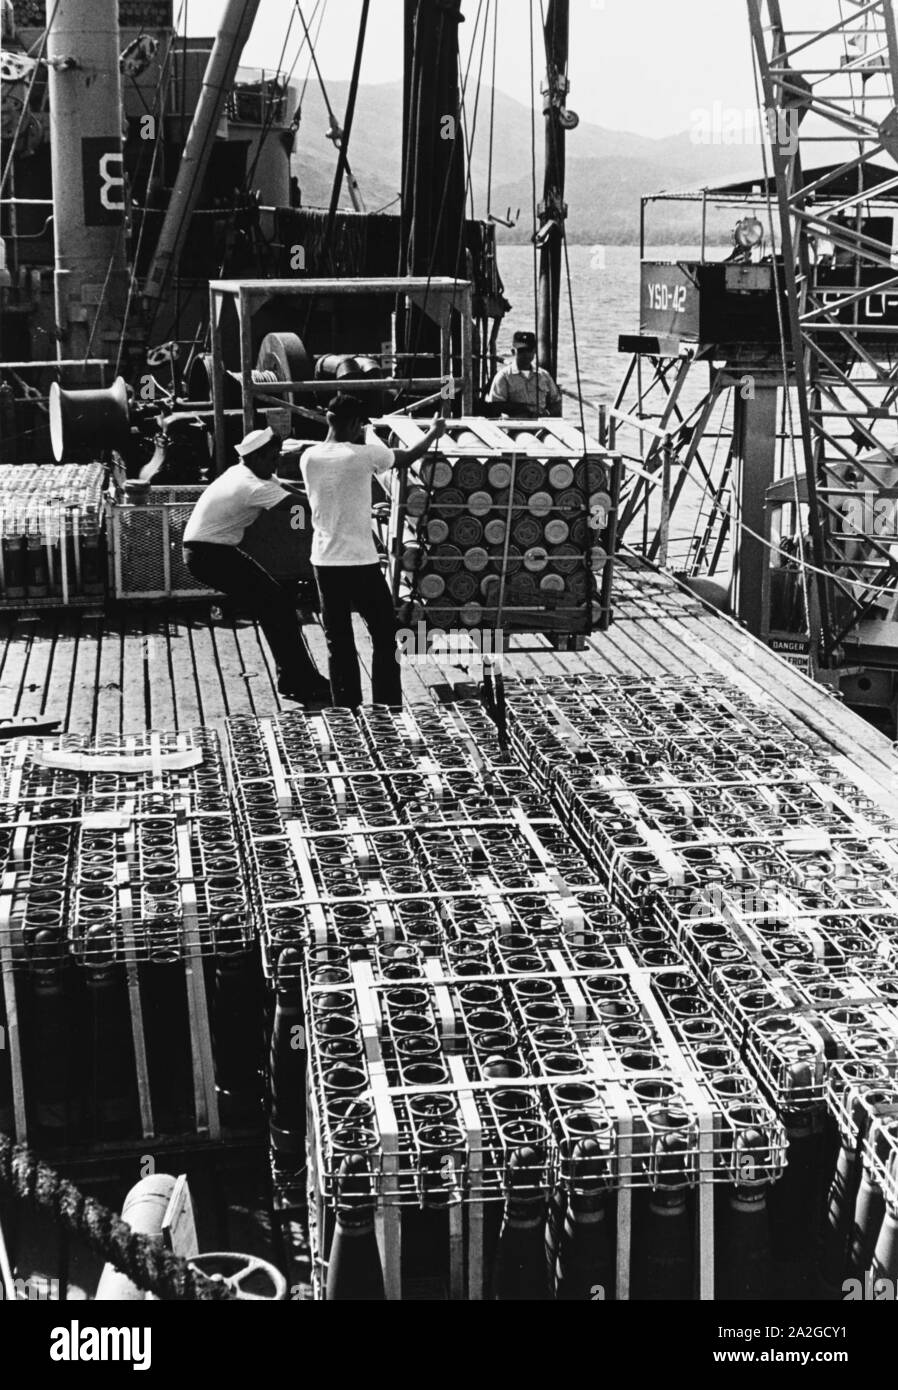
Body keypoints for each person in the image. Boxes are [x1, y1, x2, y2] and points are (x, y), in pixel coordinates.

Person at [301, 393, 446, 709]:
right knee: (385, 636)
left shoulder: (308, 457)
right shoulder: (362, 457)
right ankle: (388, 705)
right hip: (360, 562)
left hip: (324, 562)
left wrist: (362, 434)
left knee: (337, 641)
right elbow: (404, 458)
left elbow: (351, 449)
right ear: (354, 423)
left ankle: (347, 707)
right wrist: (434, 433)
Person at [182, 426, 330, 706]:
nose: (275, 464)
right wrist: (340, 500)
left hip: (211, 551)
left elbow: (286, 486)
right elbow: (300, 505)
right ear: (257, 457)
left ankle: (294, 678)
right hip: (208, 556)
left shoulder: (243, 471)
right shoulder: (252, 486)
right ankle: (300, 681)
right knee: (276, 605)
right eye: (272, 459)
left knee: (275, 605)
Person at [487, 329, 562, 419]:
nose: (526, 354)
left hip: (540, 424)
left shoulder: (544, 376)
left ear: (535, 351)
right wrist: (522, 410)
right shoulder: (504, 377)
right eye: (521, 351)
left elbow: (556, 403)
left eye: (529, 350)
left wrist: (546, 413)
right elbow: (495, 407)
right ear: (513, 351)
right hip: (513, 426)